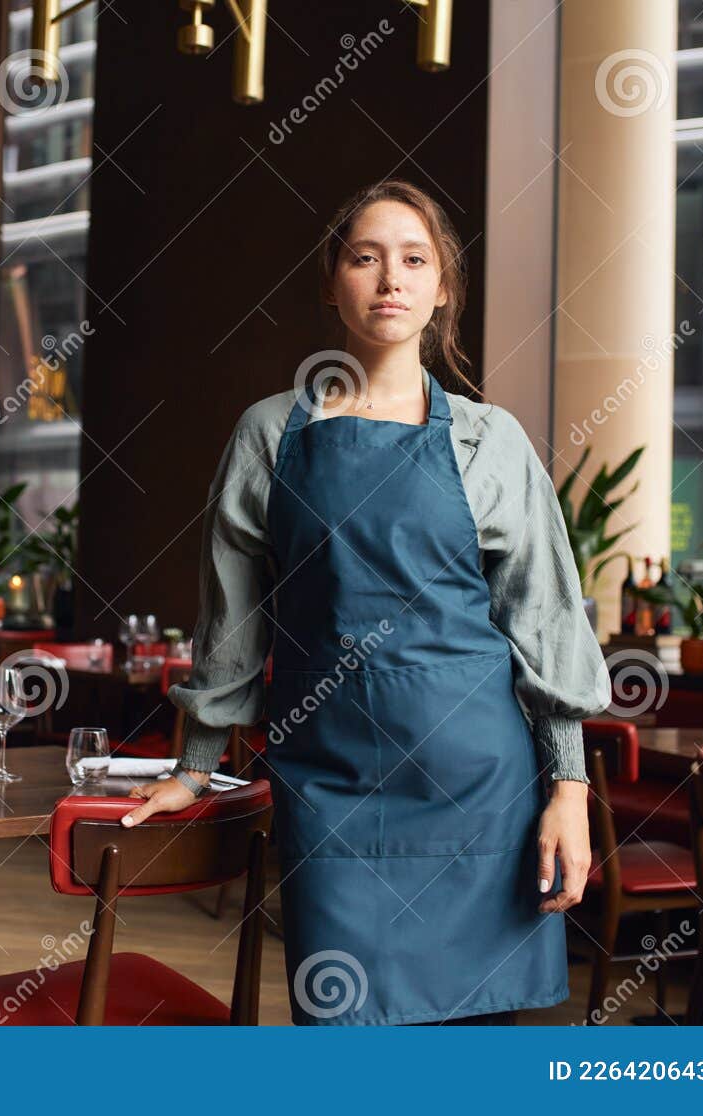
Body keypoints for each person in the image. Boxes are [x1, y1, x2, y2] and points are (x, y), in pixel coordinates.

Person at [121, 179, 611, 1026]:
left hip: (480, 793)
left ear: (443, 287)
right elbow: (233, 617)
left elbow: (544, 620)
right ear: (331, 281)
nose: (391, 279)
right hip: (331, 790)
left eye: (415, 260)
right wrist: (194, 768)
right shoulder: (269, 435)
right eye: (366, 258)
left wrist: (568, 790)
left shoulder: (490, 441)